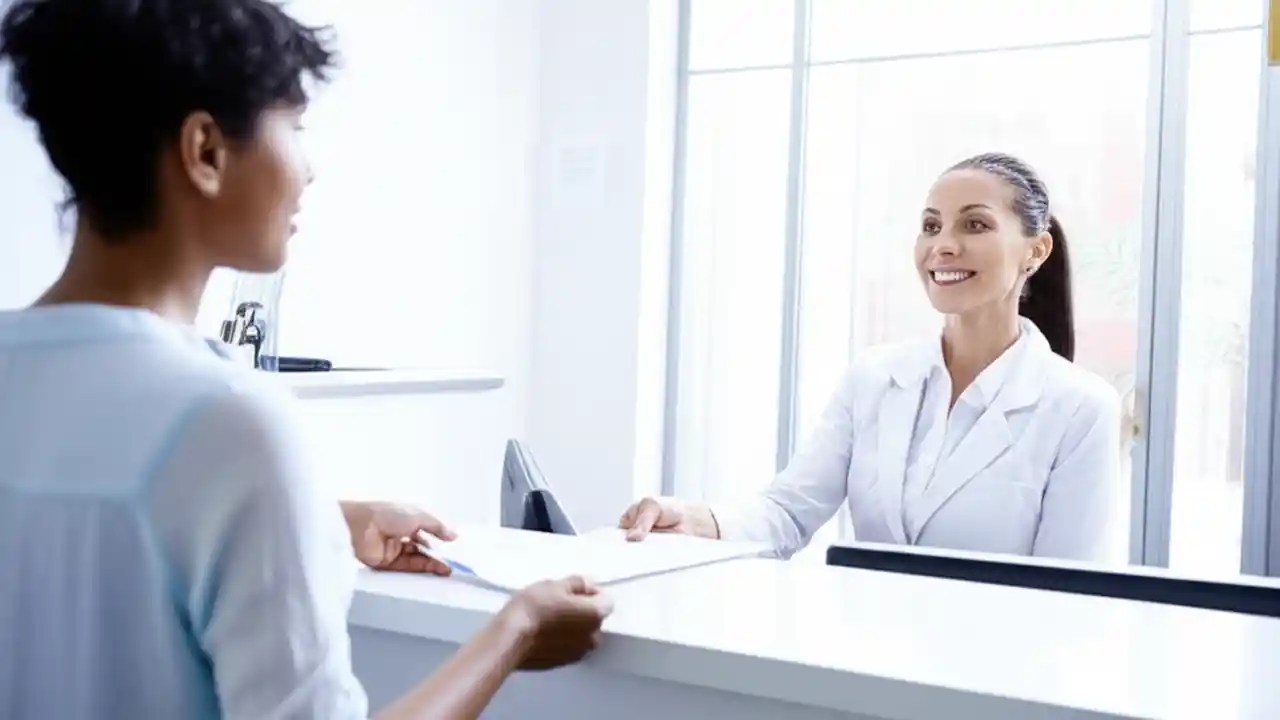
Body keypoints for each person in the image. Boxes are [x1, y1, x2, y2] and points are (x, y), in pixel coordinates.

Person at [0, 1, 611, 718]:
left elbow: (88, 510)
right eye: (294, 126)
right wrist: (515, 630)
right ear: (205, 151)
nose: (309, 168)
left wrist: (326, 520)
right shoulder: (233, 422)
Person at [622, 153, 1122, 563]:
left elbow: (1068, 591)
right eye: (931, 226)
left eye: (974, 225)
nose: (943, 246)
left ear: (1035, 251)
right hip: (872, 658)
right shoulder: (875, 378)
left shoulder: (1080, 407)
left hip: (997, 670)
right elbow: (789, 513)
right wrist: (696, 519)